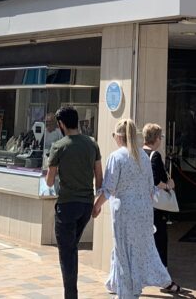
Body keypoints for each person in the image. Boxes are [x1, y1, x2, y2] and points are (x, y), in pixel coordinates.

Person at [92, 119, 182, 299]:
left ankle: (127, 292)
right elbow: (152, 188)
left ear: (118, 136)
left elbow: (109, 188)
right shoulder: (143, 157)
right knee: (142, 248)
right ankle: (120, 283)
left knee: (123, 250)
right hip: (144, 210)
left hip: (124, 210)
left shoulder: (117, 157)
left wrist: (96, 206)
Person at [46, 106, 103, 299]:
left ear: (61, 124)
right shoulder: (92, 144)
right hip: (86, 206)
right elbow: (99, 177)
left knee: (67, 253)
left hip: (67, 205)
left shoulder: (59, 146)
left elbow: (49, 180)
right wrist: (97, 204)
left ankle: (71, 295)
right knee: (72, 248)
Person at [141, 122, 178, 288]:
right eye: (161, 137)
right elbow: (156, 180)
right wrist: (169, 185)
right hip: (155, 206)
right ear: (156, 138)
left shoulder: (138, 153)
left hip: (141, 203)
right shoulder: (154, 155)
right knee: (160, 238)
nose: (161, 140)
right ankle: (162, 273)